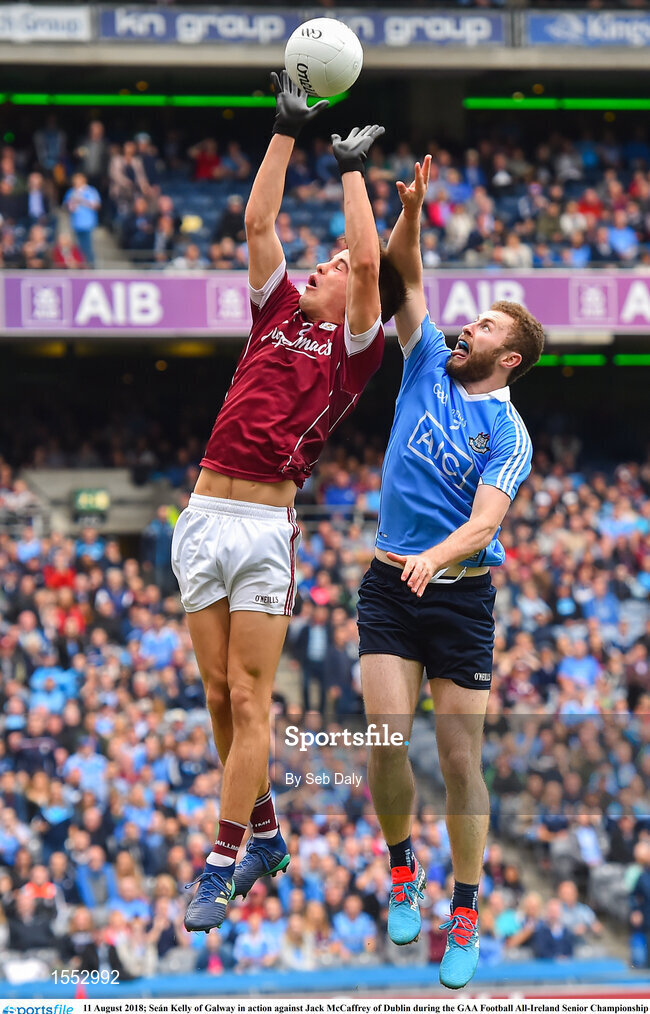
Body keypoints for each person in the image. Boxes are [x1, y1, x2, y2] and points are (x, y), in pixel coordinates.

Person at [171, 70, 406, 934]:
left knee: (248, 698)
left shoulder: (357, 348)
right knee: (213, 695)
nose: (322, 263)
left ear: (360, 294)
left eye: (334, 264)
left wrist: (351, 172)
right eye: (326, 259)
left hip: (266, 526)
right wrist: (284, 129)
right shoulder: (274, 311)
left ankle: (224, 858)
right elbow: (257, 222)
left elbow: (372, 259)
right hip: (201, 516)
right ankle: (266, 830)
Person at [357, 155, 544, 989]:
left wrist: (437, 556)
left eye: (489, 330)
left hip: (460, 599)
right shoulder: (427, 356)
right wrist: (411, 215)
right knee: (385, 740)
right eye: (474, 322)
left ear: (510, 360)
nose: (470, 328)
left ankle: (464, 905)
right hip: (390, 586)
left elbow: (486, 525)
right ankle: (406, 869)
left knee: (462, 763)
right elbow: (408, 279)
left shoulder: (509, 436)